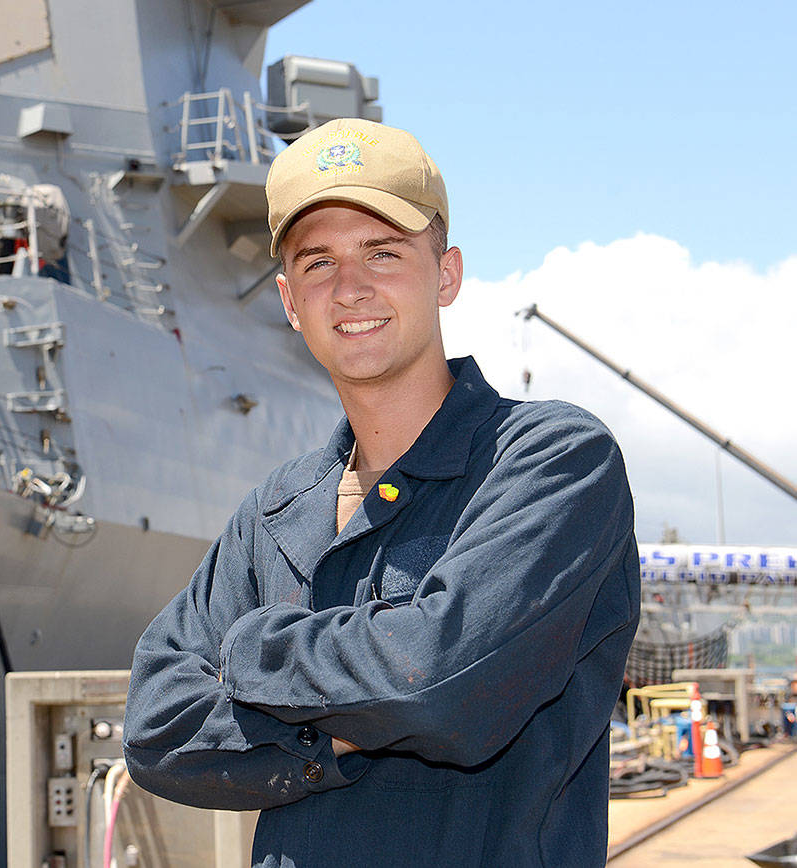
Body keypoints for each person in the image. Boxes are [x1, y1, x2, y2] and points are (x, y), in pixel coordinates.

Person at [122, 118, 641, 867]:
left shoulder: (553, 461)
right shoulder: (275, 512)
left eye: (384, 252)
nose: (352, 287)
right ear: (289, 301)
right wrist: (338, 726)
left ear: (448, 274)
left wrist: (250, 648)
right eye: (318, 262)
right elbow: (156, 727)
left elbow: (439, 685)